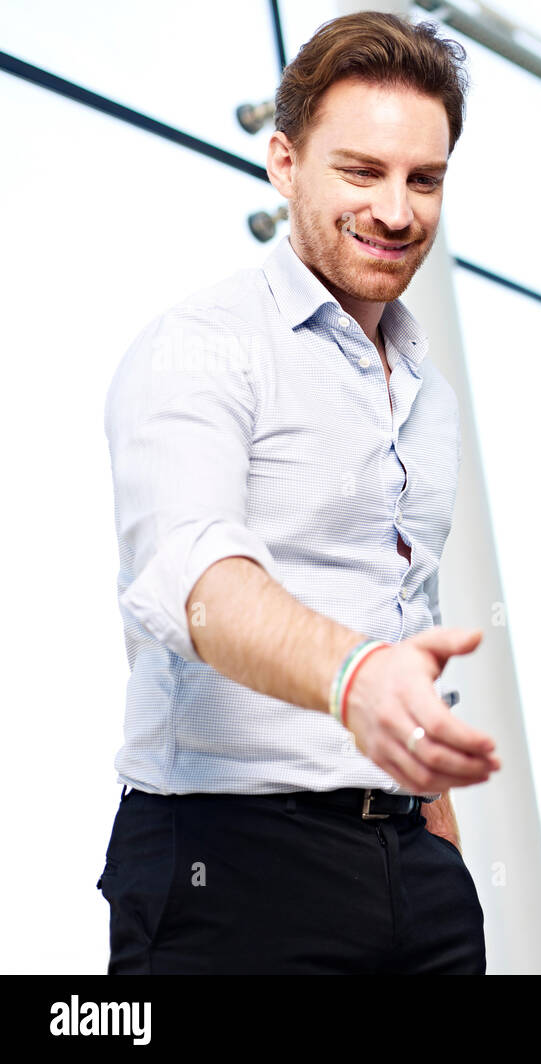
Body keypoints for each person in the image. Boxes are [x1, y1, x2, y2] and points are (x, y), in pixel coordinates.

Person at [99, 11, 500, 974]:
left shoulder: (428, 391)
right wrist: (355, 678)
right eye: (361, 172)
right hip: (229, 865)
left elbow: (403, 604)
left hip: (414, 866)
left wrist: (434, 821)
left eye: (424, 179)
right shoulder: (202, 347)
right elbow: (194, 576)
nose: (396, 211)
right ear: (284, 163)